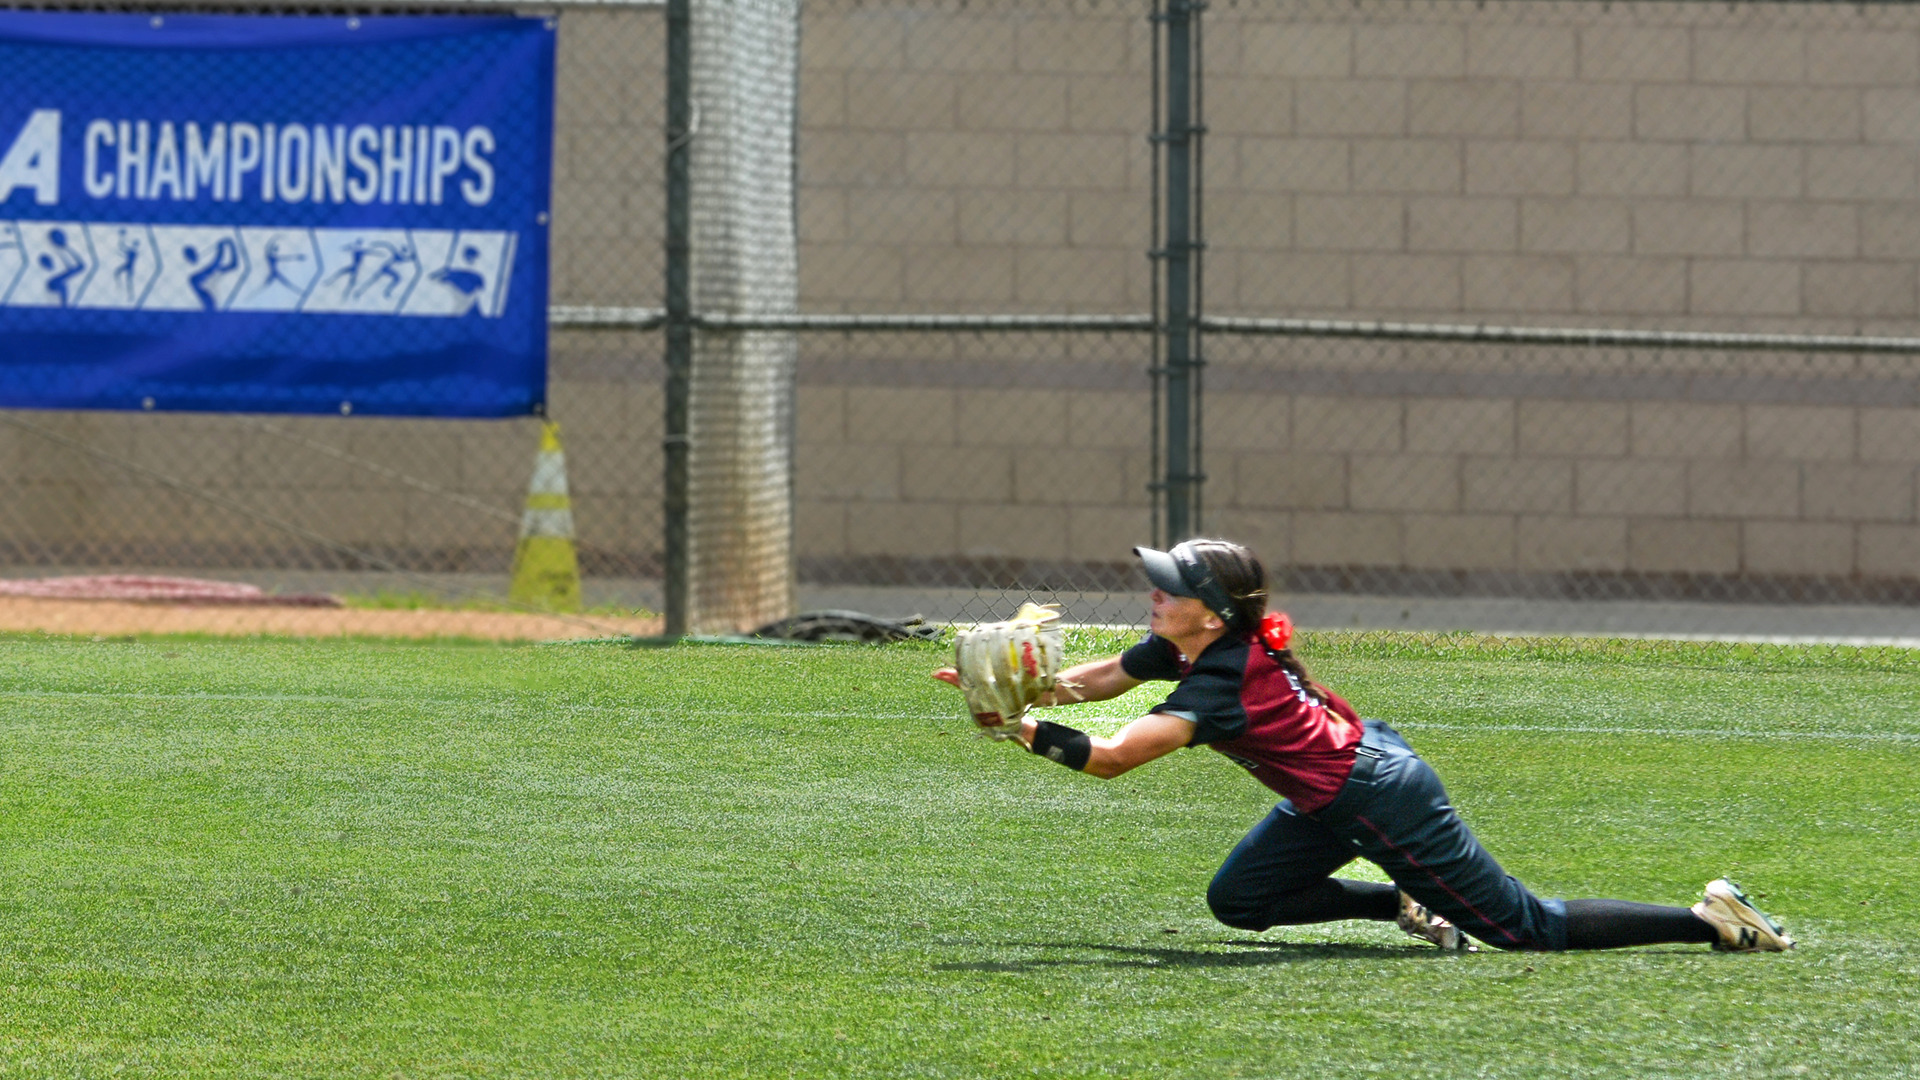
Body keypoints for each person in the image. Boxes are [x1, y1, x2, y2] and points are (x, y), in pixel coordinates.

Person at [934, 538, 1795, 953]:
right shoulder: (1196, 645)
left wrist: (1016, 727)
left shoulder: (1219, 679)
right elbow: (1104, 681)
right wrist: (1031, 685)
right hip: (1339, 786)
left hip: (1377, 798)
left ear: (1213, 613)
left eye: (1170, 590)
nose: (1153, 597)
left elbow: (1116, 755)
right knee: (1239, 901)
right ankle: (1405, 905)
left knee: (1523, 928)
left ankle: (1709, 920)